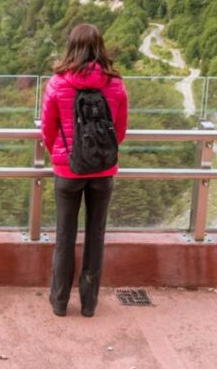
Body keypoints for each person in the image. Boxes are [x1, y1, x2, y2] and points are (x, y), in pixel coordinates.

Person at [40, 23, 128, 317]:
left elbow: (47, 130)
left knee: (65, 237)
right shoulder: (115, 84)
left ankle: (60, 302)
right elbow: (120, 132)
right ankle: (89, 304)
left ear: (71, 47)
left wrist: (61, 156)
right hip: (103, 172)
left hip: (68, 173)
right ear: (100, 47)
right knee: (96, 235)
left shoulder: (57, 83)